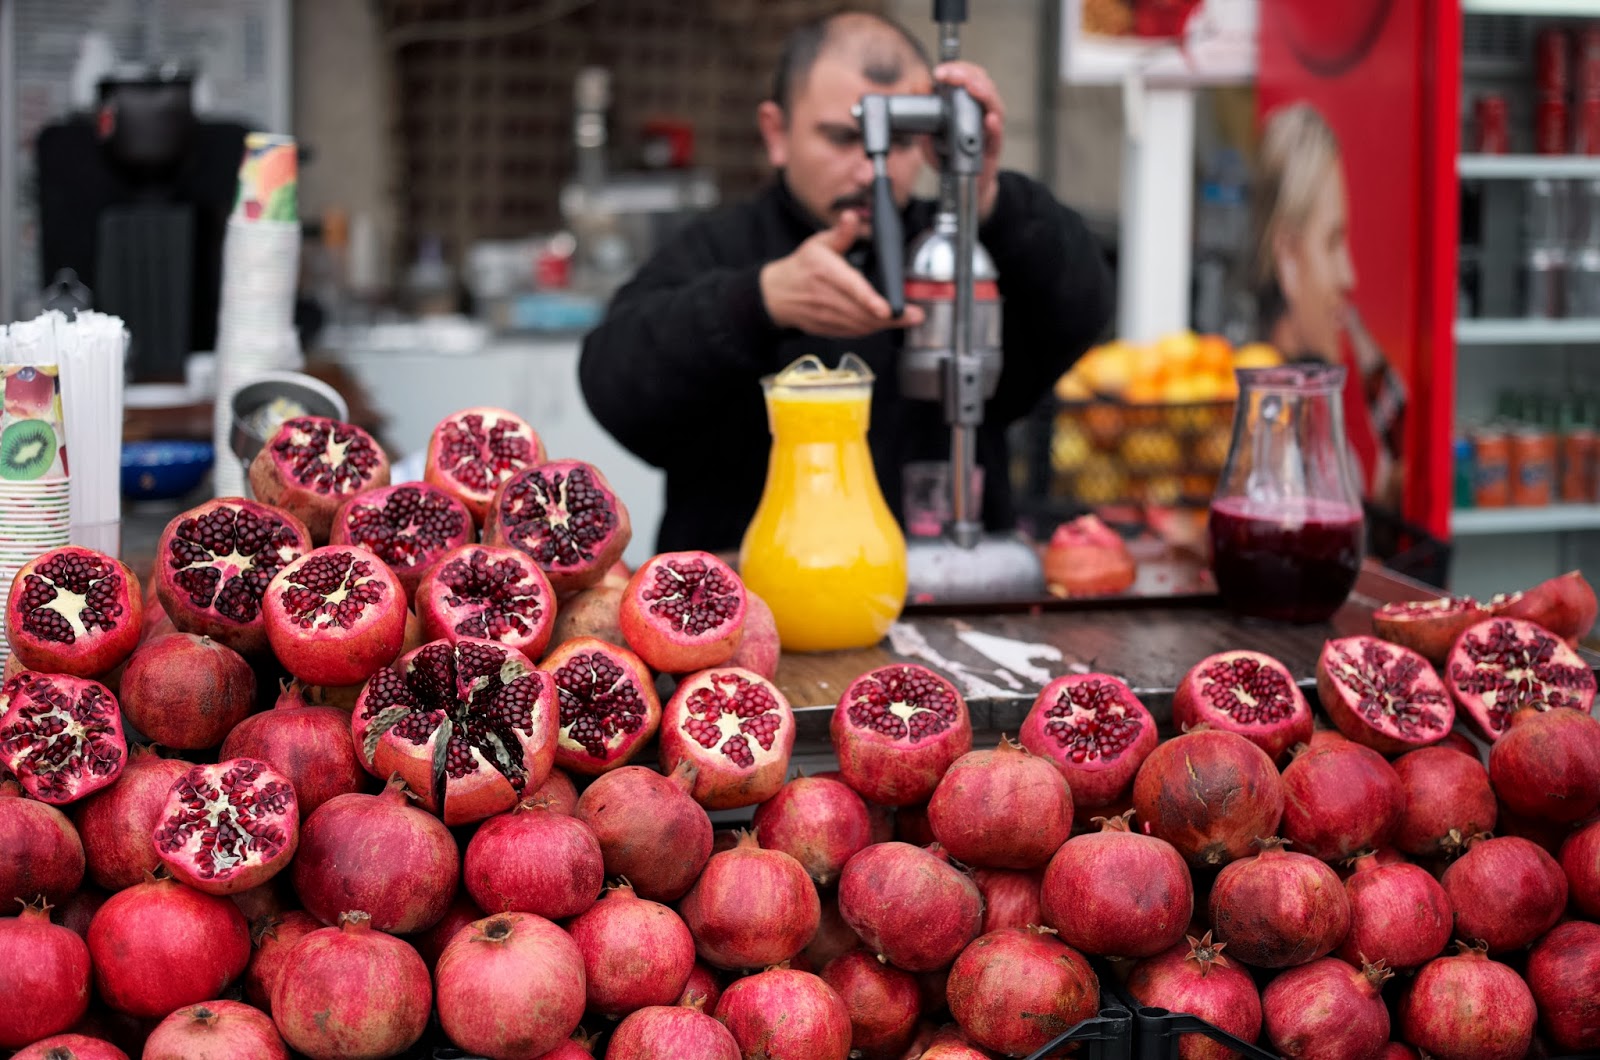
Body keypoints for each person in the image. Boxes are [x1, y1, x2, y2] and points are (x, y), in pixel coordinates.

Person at [579, 10, 1114, 553]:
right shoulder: (720, 249)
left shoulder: (963, 246)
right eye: (842, 139)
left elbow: (1080, 305)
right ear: (776, 133)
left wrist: (988, 199)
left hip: (947, 583)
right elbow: (613, 381)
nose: (869, 172)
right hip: (752, 600)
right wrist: (757, 302)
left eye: (900, 143)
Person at [1252, 101, 1406, 509]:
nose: (1349, 275)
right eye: (1333, 242)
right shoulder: (1263, 411)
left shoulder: (1343, 372)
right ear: (1287, 257)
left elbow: (1404, 438)